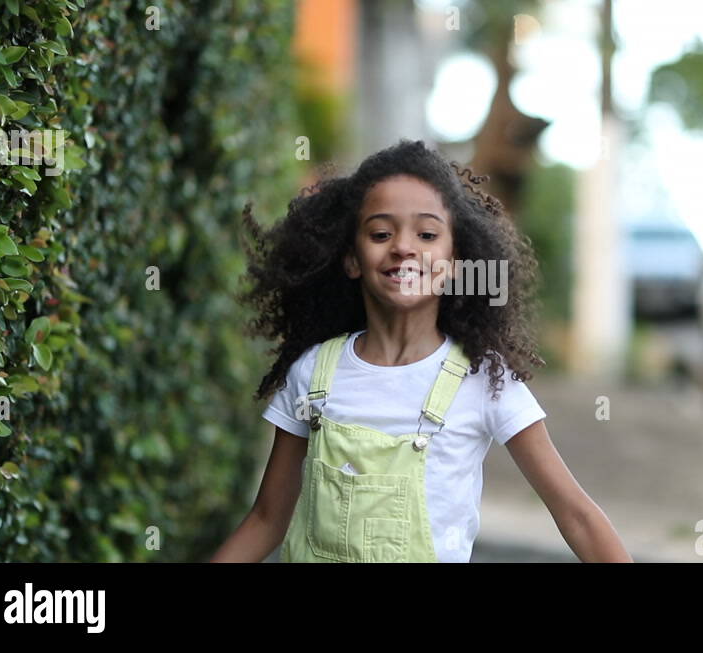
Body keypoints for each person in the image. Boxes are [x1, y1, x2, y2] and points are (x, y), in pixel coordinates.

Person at [210, 139, 633, 563]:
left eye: (427, 234)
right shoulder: (313, 374)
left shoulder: (484, 382)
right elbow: (266, 520)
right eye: (380, 233)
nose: (403, 247)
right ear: (352, 260)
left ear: (454, 262)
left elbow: (574, 514)